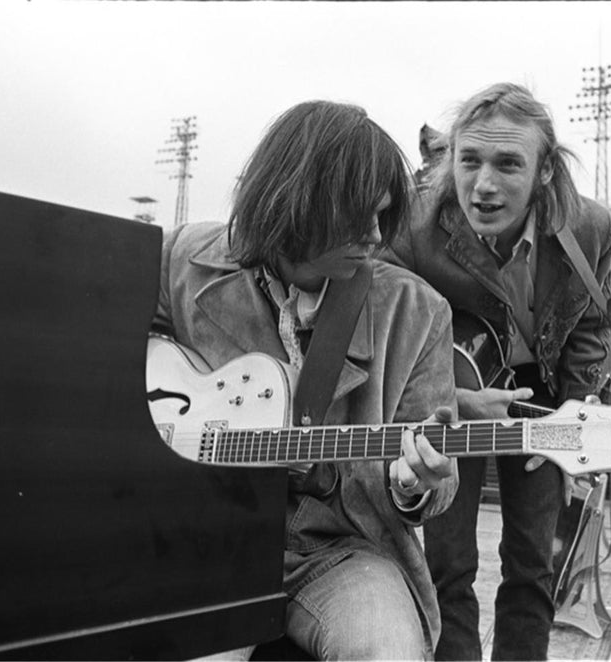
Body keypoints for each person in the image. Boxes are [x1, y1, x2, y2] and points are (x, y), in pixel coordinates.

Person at [154, 100, 460, 661]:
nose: (374, 235)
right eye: (356, 216)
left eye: (383, 214)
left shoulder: (417, 312)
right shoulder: (182, 259)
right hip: (207, 536)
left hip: (343, 551)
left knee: (388, 651)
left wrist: (416, 482)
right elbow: (106, 356)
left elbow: (437, 485)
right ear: (296, 202)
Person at [383, 82, 611, 660]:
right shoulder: (414, 227)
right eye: (469, 160)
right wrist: (458, 397)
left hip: (541, 396)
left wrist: (577, 413)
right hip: (448, 392)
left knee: (534, 567)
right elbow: (381, 342)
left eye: (508, 163)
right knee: (448, 566)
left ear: (544, 171)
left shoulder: (590, 229)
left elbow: (589, 334)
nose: (483, 185)